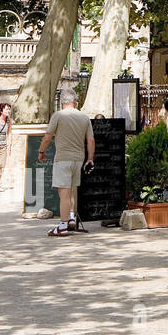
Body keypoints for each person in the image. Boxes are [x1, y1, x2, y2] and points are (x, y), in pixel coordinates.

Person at [38, 90, 95, 236]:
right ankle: (71, 217)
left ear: (62, 102)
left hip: (63, 158)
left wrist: (41, 151)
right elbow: (90, 140)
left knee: (63, 192)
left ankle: (62, 225)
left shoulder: (58, 116)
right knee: (72, 190)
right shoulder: (84, 117)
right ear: (75, 101)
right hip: (79, 158)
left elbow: (47, 137)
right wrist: (90, 159)